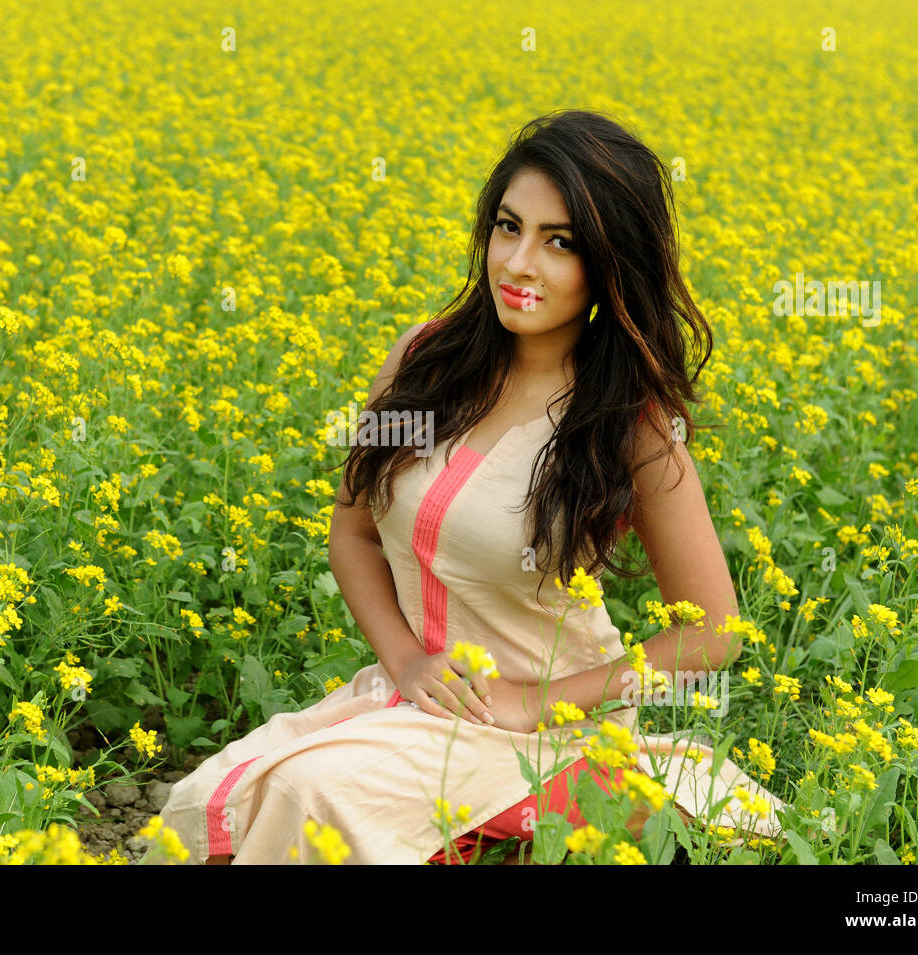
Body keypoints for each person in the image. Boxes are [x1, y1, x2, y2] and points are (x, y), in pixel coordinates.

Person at [157, 109, 786, 865]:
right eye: (508, 226)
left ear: (610, 264)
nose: (519, 263)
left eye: (560, 242)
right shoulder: (425, 362)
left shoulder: (628, 420)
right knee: (206, 800)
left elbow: (713, 630)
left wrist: (535, 703)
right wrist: (406, 661)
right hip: (413, 701)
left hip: (543, 735)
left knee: (308, 796)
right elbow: (353, 532)